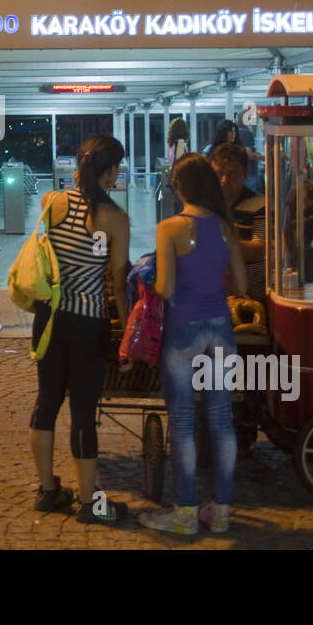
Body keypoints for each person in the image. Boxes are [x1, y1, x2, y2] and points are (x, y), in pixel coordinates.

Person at [138, 153, 246, 536]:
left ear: (178, 185)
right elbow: (243, 286)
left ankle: (184, 511)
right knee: (221, 420)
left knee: (183, 422)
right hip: (220, 328)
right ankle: (221, 509)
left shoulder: (171, 227)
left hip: (183, 330)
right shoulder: (225, 227)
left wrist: (148, 277)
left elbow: (166, 288)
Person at [29, 135, 131, 524]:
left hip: (50, 318)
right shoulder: (115, 219)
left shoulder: (51, 203)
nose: (117, 173)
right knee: (84, 412)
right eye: (116, 166)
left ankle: (47, 490)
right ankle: (89, 503)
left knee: (46, 403)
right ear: (108, 170)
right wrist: (127, 331)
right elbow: (117, 283)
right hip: (89, 323)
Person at [210, 143, 265, 297]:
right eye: (218, 173)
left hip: (251, 298)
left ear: (245, 173)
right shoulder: (205, 206)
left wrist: (213, 243)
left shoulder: (260, 205)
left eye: (232, 173)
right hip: (213, 298)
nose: (224, 180)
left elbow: (258, 249)